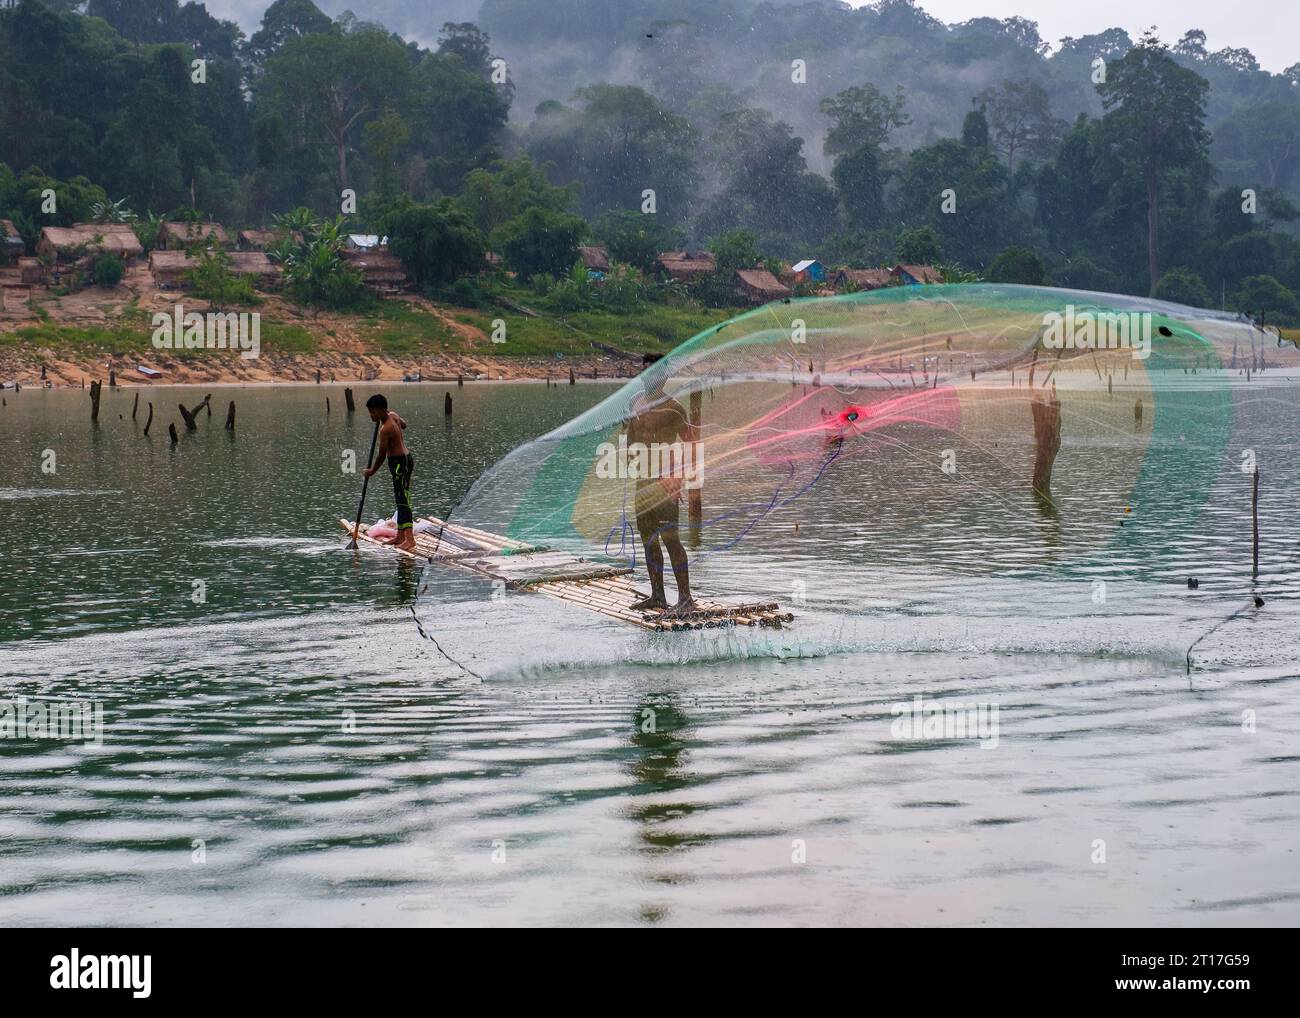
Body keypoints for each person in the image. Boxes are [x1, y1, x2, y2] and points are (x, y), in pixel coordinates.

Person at [626, 354, 696, 615]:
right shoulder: (635, 402)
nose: (648, 377)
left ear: (664, 377)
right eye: (645, 372)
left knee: (671, 538)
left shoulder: (674, 407)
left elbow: (691, 444)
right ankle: (657, 596)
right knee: (647, 539)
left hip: (666, 480)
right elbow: (631, 436)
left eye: (654, 372)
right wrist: (629, 453)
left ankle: (686, 599)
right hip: (643, 479)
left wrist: (678, 477)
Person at [362, 394, 415, 552]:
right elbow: (404, 425)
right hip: (404, 460)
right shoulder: (393, 415)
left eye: (374, 412)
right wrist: (393, 417)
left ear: (382, 410)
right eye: (370, 412)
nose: (372, 415)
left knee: (403, 500)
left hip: (400, 463)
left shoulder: (385, 429)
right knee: (400, 499)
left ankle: (410, 539)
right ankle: (400, 535)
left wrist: (372, 471)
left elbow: (381, 455)